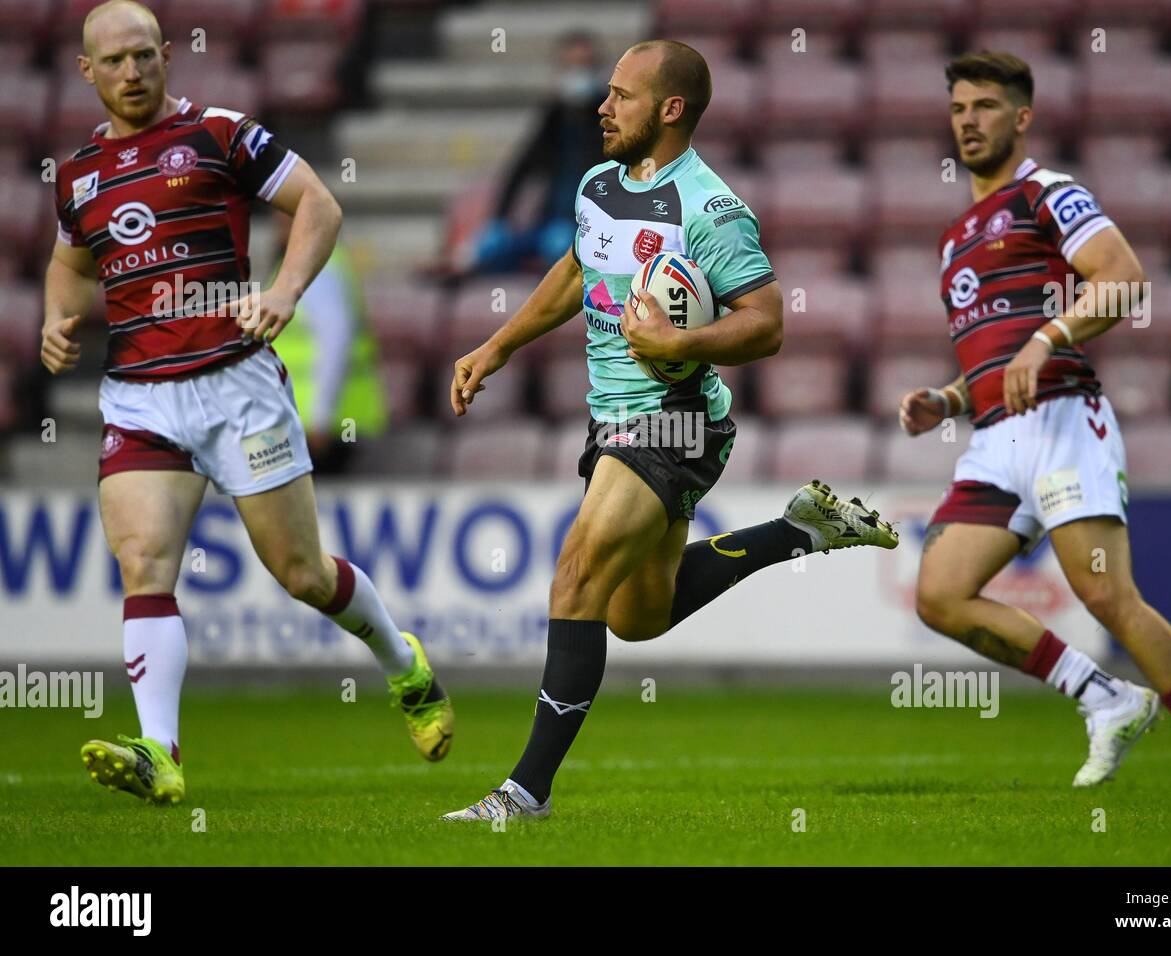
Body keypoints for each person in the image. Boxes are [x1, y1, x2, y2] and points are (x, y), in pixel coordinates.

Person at [442, 39, 899, 822]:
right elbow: (575, 271)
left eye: (621, 95)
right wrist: (498, 345)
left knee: (577, 572)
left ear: (670, 109)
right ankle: (798, 532)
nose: (602, 106)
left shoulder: (710, 208)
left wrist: (680, 344)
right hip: (613, 416)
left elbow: (768, 324)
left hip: (676, 419)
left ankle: (523, 793)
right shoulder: (596, 183)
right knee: (636, 615)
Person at [42, 0, 451, 804]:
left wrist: (286, 291)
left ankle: (404, 666)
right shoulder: (79, 174)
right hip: (139, 398)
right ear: (86, 71)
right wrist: (59, 315)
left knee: (299, 572)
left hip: (236, 386)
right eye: (114, 62)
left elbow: (319, 206)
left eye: (144, 56)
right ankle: (161, 752)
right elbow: (69, 262)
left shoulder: (220, 134)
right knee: (143, 563)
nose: (132, 73)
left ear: (167, 55)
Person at [900, 52, 1171, 791]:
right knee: (939, 593)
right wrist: (949, 399)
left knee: (1105, 595)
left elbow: (1125, 278)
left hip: (1064, 419)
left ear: (1021, 118)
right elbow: (996, 353)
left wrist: (1049, 339)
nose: (969, 121)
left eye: (987, 107)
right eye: (960, 108)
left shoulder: (1047, 192)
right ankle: (1106, 698)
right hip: (997, 438)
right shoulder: (955, 237)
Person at [473, 31, 609, 273]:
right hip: (544, 222)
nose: (577, 75)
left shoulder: (608, 121)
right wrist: (500, 220)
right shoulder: (553, 118)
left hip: (582, 228)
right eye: (570, 66)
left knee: (557, 245)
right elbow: (520, 170)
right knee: (490, 247)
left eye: (584, 66)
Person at [269, 214, 388, 475]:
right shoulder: (306, 263)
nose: (277, 226)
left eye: (286, 219)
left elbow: (336, 337)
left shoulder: (314, 267)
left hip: (320, 423)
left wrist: (321, 417)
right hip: (307, 418)